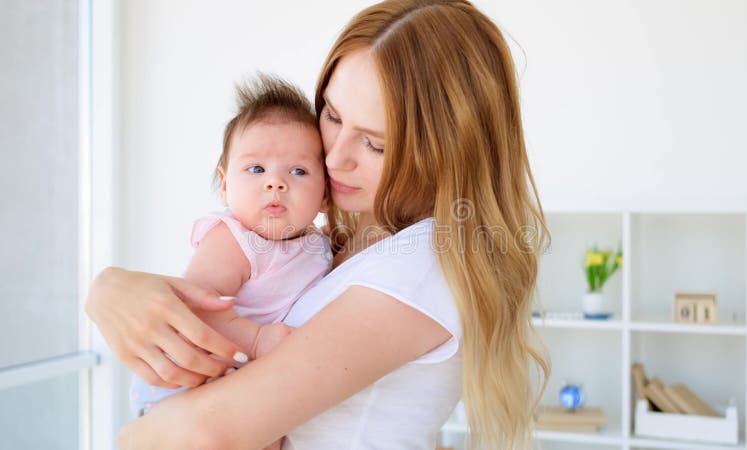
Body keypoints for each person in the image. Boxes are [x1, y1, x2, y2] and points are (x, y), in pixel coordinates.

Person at [85, 1, 552, 449]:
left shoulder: (422, 266)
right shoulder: (337, 244)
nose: (334, 156)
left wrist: (132, 436)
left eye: (376, 145)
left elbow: (206, 435)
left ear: (450, 153)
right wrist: (109, 289)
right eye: (331, 115)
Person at [128, 73, 332, 431]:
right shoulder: (231, 240)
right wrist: (256, 339)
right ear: (225, 185)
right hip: (183, 382)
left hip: (239, 385)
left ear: (325, 195)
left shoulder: (315, 242)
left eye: (298, 171)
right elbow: (197, 310)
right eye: (256, 169)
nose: (275, 182)